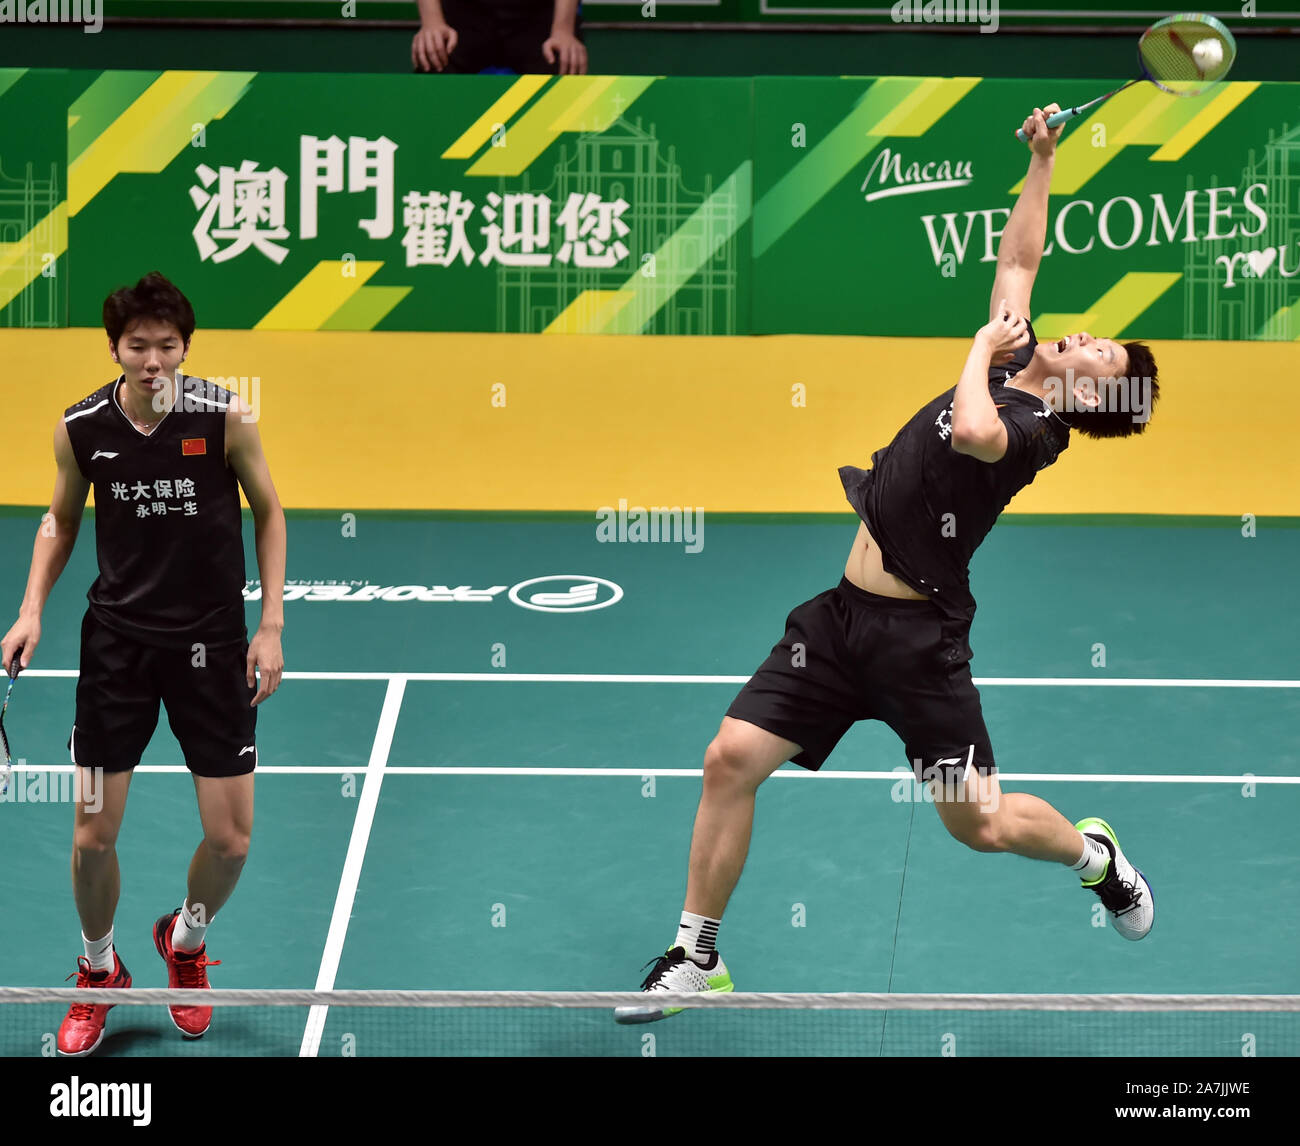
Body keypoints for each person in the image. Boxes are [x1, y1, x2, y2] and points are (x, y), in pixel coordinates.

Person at [615, 104, 1160, 1024]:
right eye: (1095, 335)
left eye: (1098, 355)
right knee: (729, 759)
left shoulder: (1033, 428)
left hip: (919, 648)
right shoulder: (1022, 350)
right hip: (837, 623)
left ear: (1093, 397)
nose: (1084, 338)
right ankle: (695, 954)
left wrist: (981, 348)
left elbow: (977, 429)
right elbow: (1019, 261)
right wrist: (1042, 159)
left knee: (976, 824)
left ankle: (1096, 857)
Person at [1, 272, 287, 1056]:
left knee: (231, 842)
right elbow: (60, 522)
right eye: (139, 346)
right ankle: (99, 971)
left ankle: (184, 943)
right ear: (116, 350)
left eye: (168, 346)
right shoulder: (82, 427)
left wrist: (270, 623)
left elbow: (269, 511)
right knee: (93, 833)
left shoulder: (226, 418)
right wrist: (30, 610)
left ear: (186, 349)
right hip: (117, 654)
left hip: (213, 648)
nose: (154, 360)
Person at [412, 0, 587, 75]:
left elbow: (562, 34)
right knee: (433, 54)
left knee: (563, 61)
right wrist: (432, 21)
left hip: (536, 16)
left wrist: (563, 30)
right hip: (465, 13)